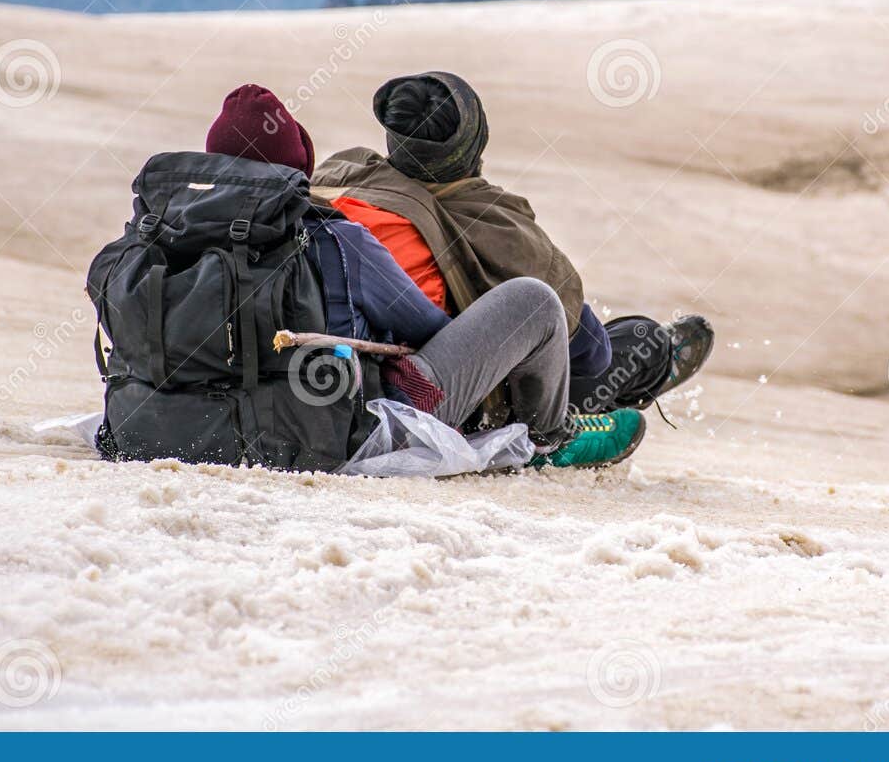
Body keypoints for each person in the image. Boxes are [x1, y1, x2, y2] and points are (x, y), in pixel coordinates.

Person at [203, 84, 646, 467]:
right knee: (540, 304)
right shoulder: (343, 238)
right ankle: (549, 443)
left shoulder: (177, 238)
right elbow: (435, 331)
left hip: (230, 420)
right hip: (355, 429)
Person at [309, 71, 714, 417]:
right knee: (635, 341)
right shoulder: (493, 222)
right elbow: (590, 351)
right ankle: (654, 361)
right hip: (443, 395)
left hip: (332, 375)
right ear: (473, 141)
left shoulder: (342, 179)